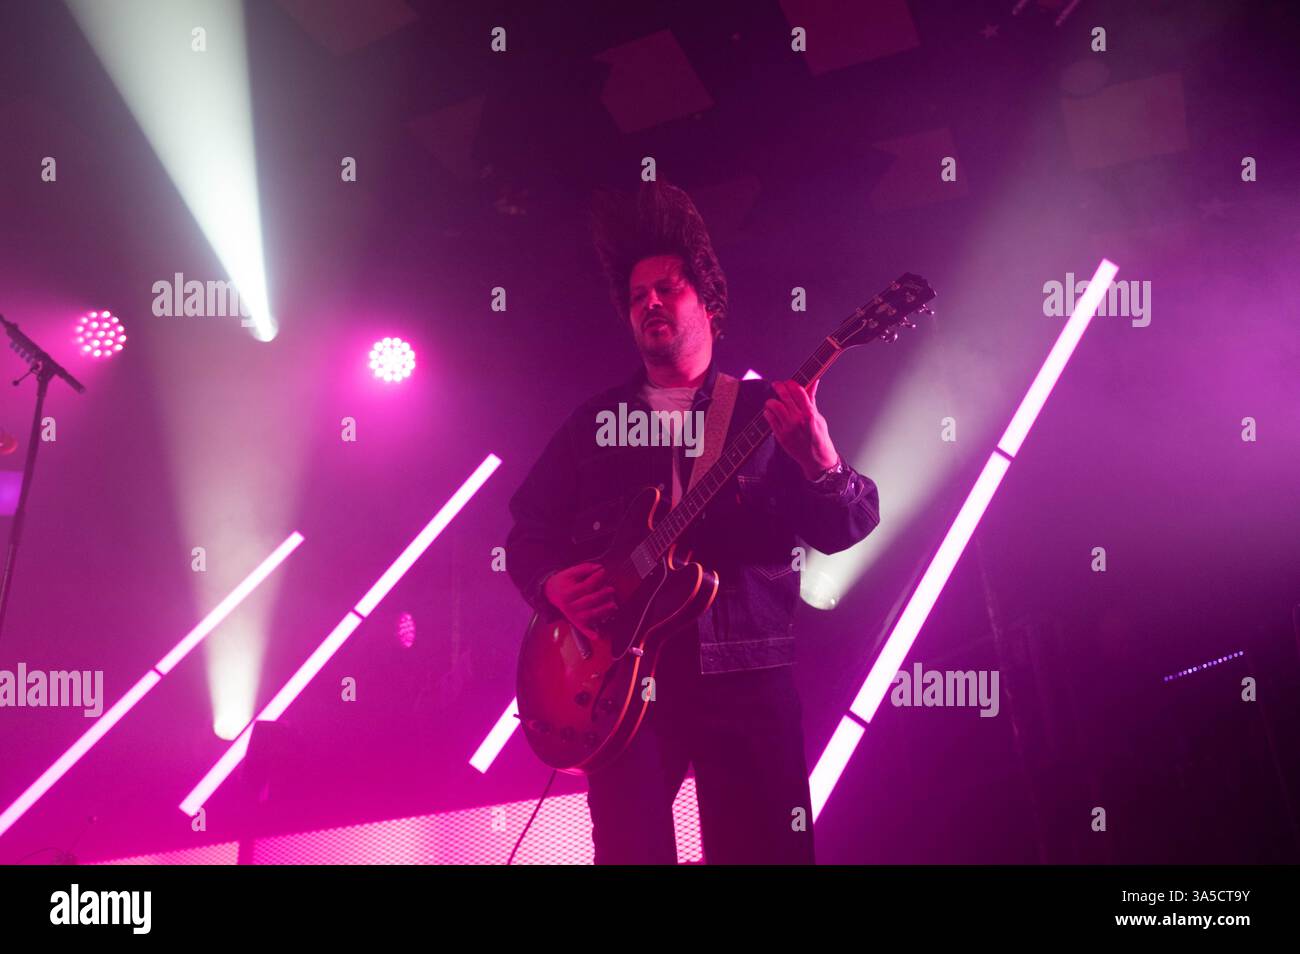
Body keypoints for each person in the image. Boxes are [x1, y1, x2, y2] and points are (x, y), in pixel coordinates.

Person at [506, 179, 880, 864]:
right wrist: (552, 584)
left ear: (706, 300)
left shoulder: (769, 411)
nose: (649, 301)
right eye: (637, 295)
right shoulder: (594, 427)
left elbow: (846, 526)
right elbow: (526, 530)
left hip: (746, 675)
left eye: (668, 288)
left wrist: (820, 459)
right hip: (625, 684)